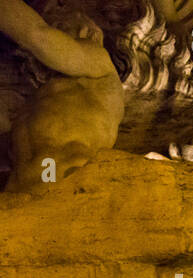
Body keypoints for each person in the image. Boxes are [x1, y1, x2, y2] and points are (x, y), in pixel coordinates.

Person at [0, 0, 124, 192]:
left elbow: (38, 36)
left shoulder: (100, 65)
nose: (56, 30)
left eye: (61, 27)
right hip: (22, 191)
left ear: (89, 32)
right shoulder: (45, 95)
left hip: (61, 187)